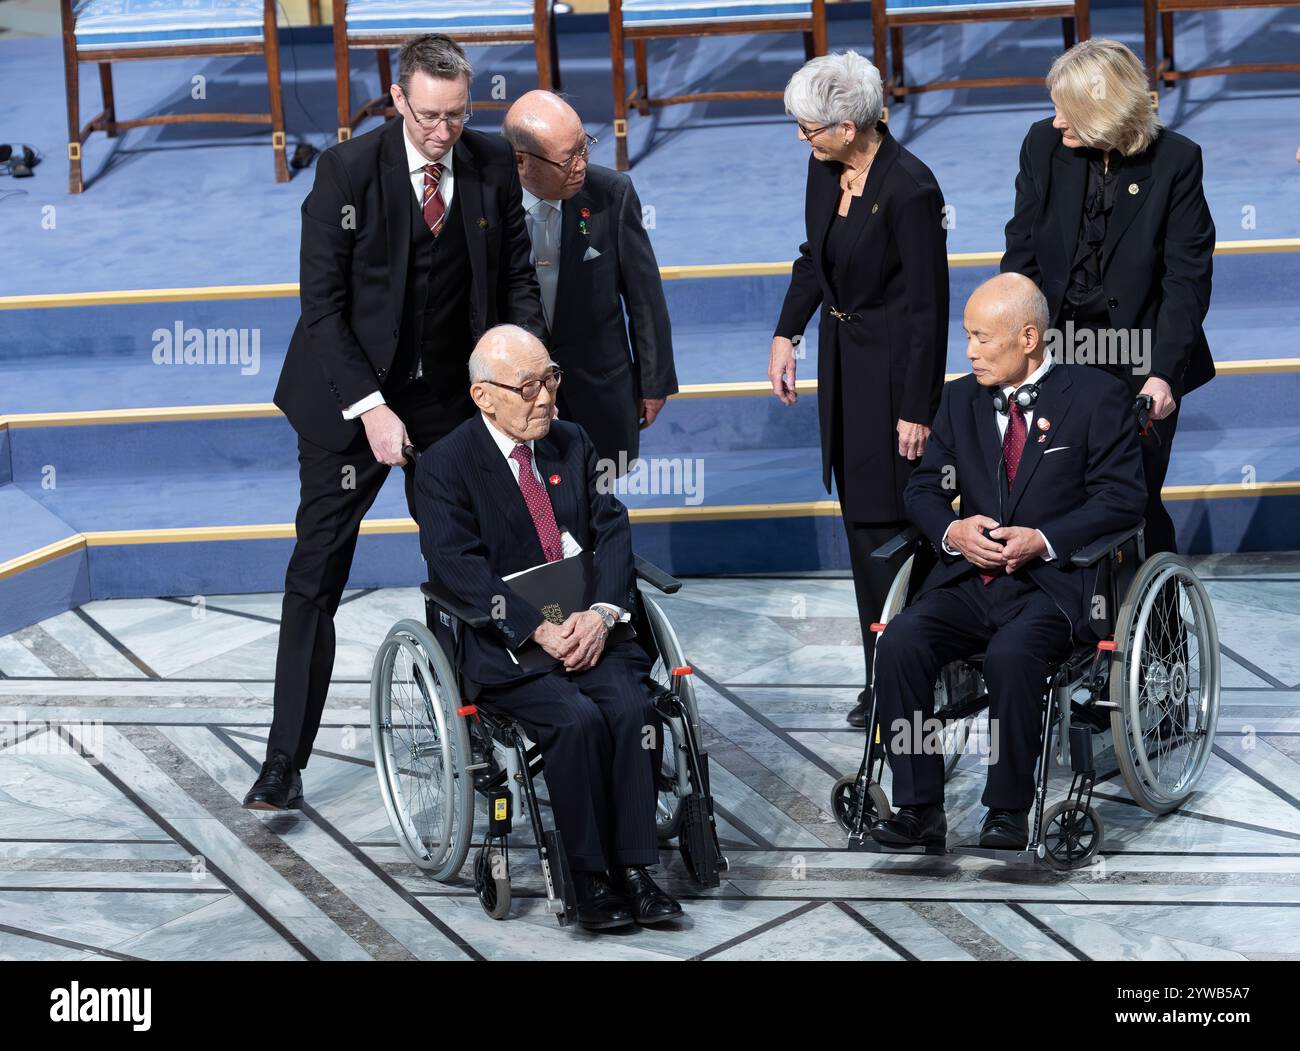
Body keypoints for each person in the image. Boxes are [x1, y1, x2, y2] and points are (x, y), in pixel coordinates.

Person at [244, 34, 545, 811]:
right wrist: (370, 407)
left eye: (457, 114)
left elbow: (516, 281)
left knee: (466, 563)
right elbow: (324, 309)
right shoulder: (343, 173)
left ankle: (476, 728)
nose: (444, 132)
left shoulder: (488, 168)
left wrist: (523, 375)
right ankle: (284, 759)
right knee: (315, 574)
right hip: (349, 401)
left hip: (448, 399)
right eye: (430, 117)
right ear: (397, 98)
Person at [414, 325, 684, 932]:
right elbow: (457, 568)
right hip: (509, 644)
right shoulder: (445, 466)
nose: (546, 399)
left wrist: (603, 613)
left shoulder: (571, 442)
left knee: (632, 710)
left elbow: (611, 529)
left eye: (551, 379)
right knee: (577, 720)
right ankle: (587, 878)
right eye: (528, 386)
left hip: (589, 626)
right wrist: (535, 628)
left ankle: (635, 870)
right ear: (484, 396)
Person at [869, 273, 1146, 852]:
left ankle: (1007, 808)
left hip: (1053, 585)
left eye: (981, 338)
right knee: (899, 642)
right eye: (966, 336)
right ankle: (919, 808)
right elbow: (922, 491)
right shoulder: (959, 398)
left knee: (1012, 654)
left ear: (1027, 338)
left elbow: (1122, 499)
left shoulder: (1098, 398)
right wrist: (951, 529)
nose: (969, 351)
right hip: (969, 579)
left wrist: (1043, 538)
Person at [769, 51, 948, 730]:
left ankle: (906, 678)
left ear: (848, 125)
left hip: (894, 383)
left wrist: (916, 409)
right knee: (861, 528)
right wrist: (788, 332)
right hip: (845, 372)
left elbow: (929, 310)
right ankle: (884, 675)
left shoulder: (911, 188)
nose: (801, 138)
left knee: (889, 532)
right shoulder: (823, 169)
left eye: (808, 127)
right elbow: (815, 258)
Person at [1001, 37, 1215, 556]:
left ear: (1103, 110)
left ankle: (1158, 630)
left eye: (1066, 110)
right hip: (1062, 347)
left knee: (1132, 497)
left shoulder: (1176, 161)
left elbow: (1185, 280)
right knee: (1052, 493)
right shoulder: (1042, 145)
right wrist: (1016, 348)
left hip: (1140, 352)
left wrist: (1162, 373)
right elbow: (1022, 251)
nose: (1056, 121)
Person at [503, 90, 677, 471]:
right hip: (514, 397)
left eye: (585, 148)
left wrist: (654, 380)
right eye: (567, 159)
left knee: (598, 511)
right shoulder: (485, 203)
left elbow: (643, 296)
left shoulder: (610, 194)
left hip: (599, 390)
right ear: (521, 161)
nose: (580, 165)